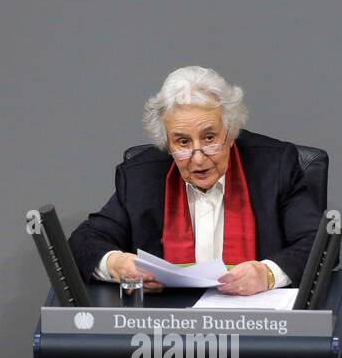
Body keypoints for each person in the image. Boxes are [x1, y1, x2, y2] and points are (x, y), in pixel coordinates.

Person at [68, 66, 323, 296]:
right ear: (167, 143)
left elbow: (318, 242)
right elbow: (84, 241)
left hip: (258, 328)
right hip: (164, 335)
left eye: (210, 138)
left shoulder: (275, 167)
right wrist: (116, 264)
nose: (198, 158)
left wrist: (267, 274)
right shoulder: (140, 176)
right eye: (182, 142)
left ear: (231, 132)